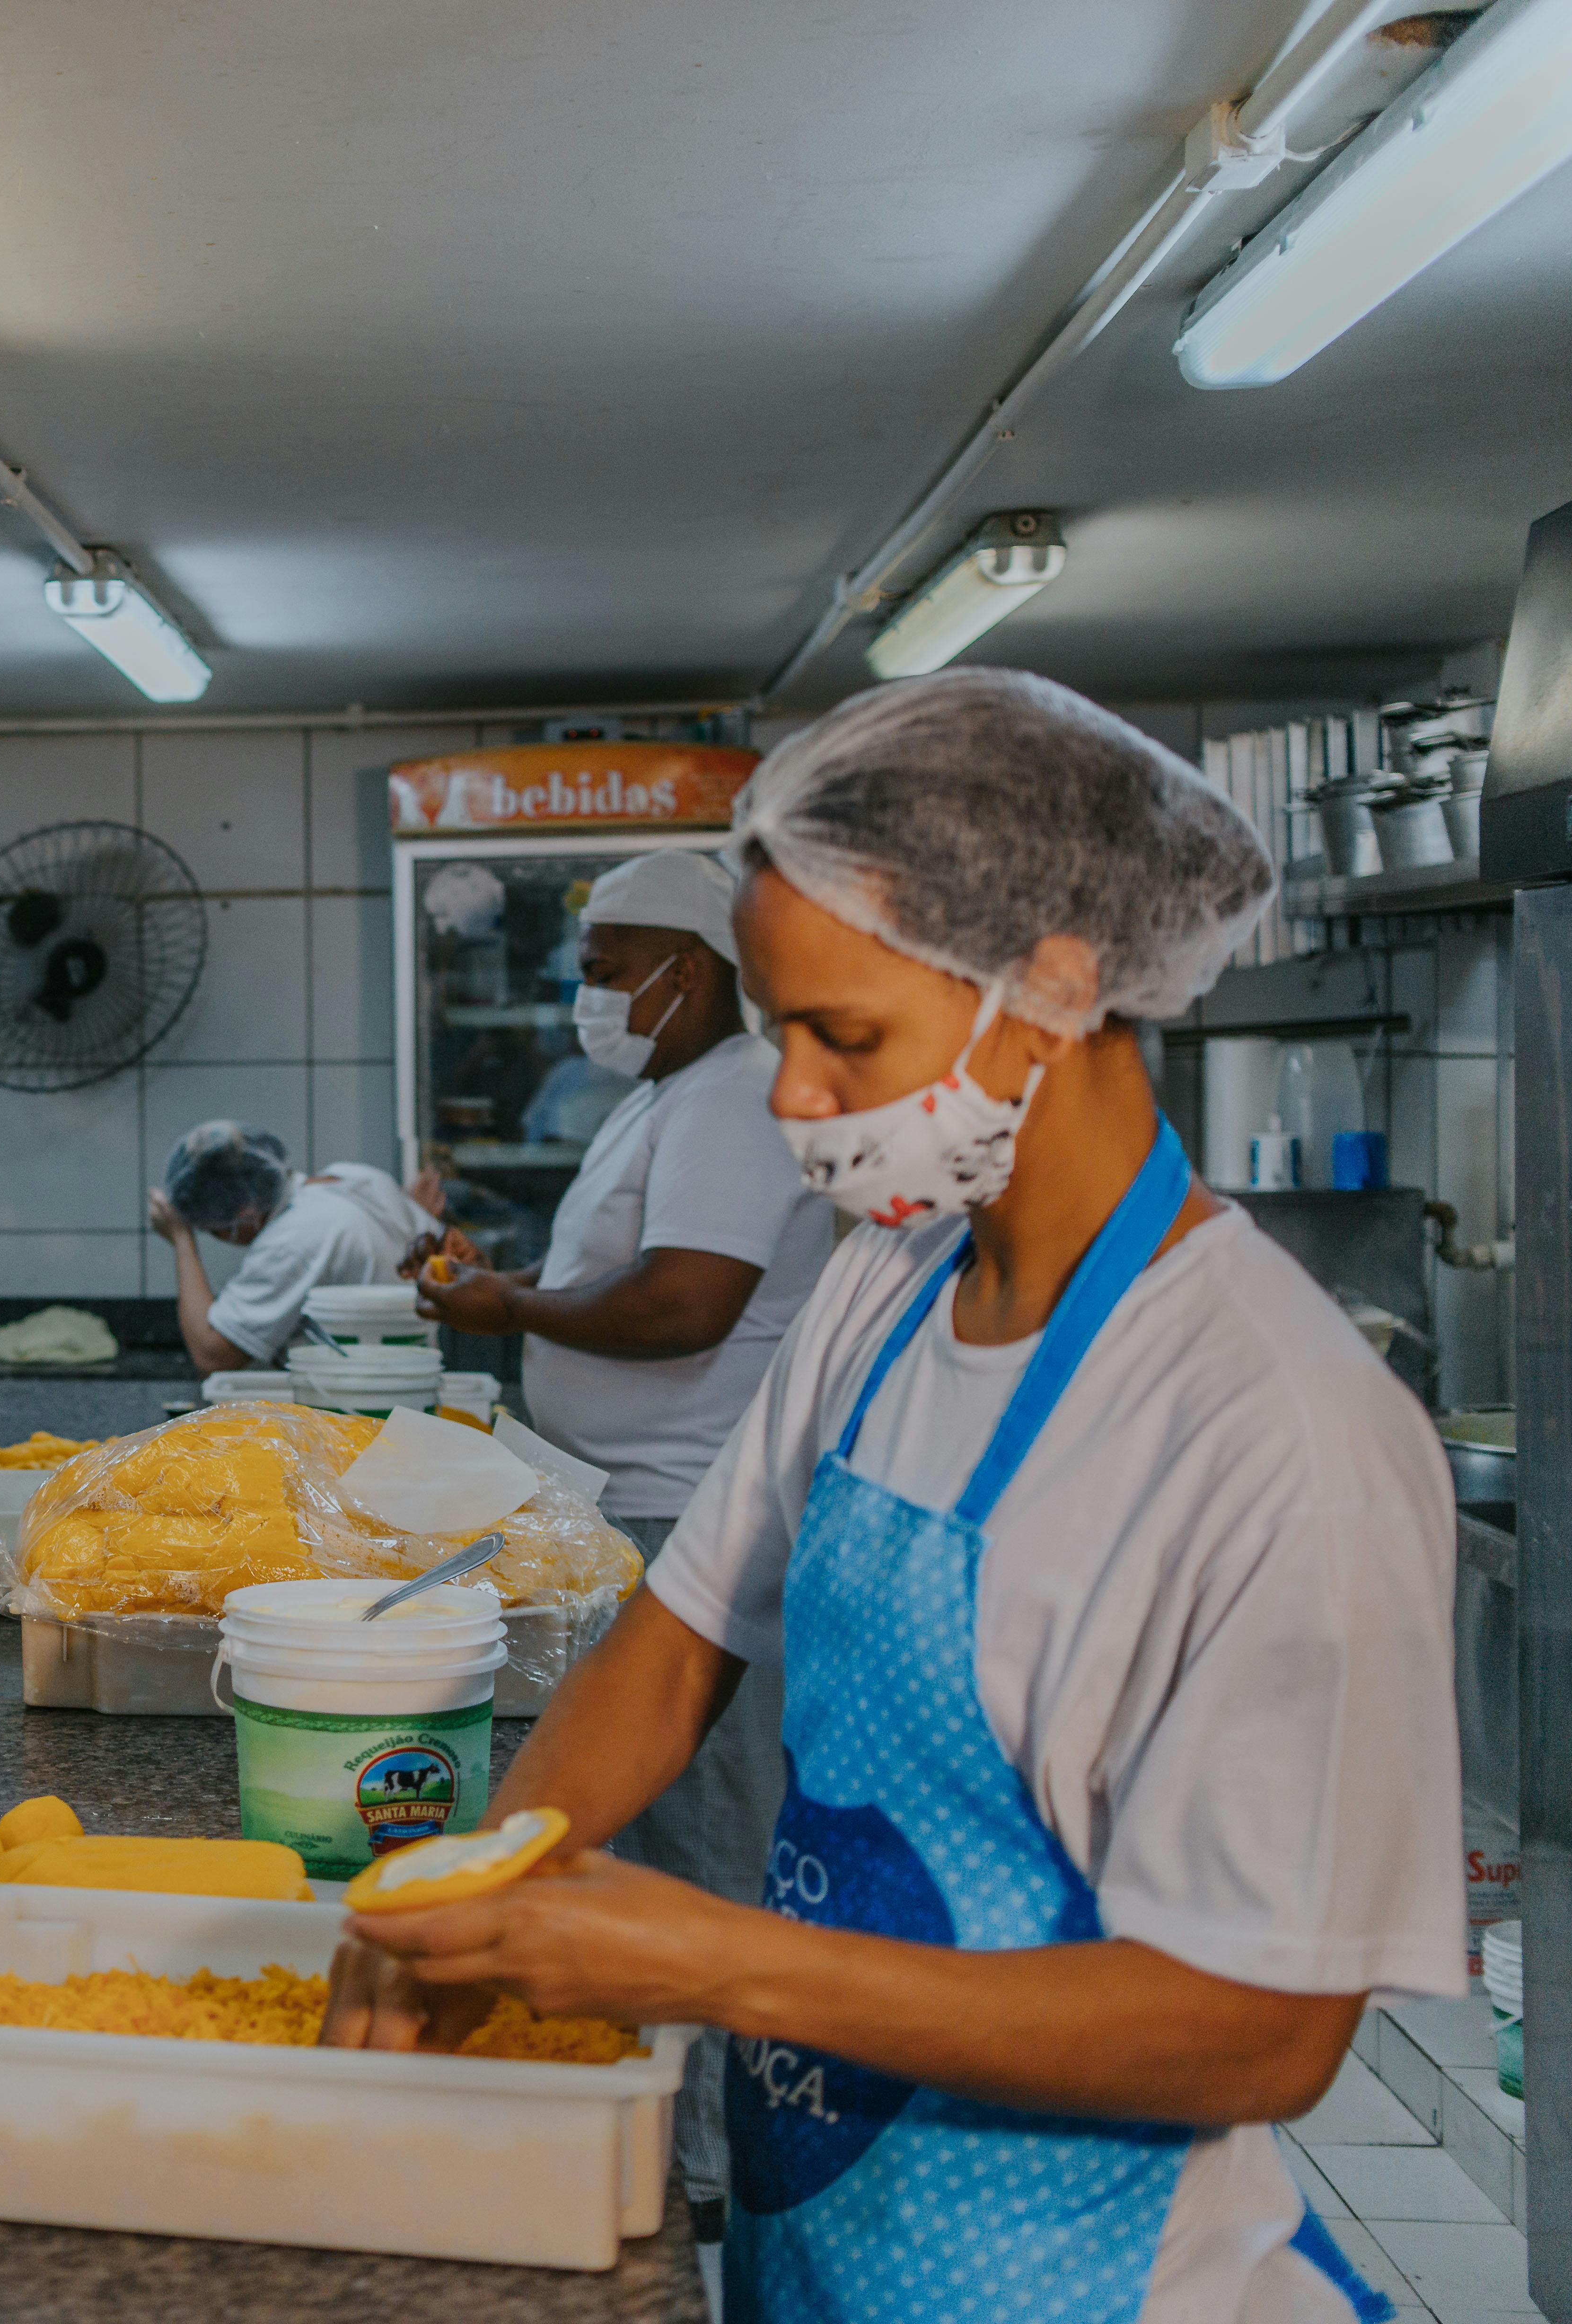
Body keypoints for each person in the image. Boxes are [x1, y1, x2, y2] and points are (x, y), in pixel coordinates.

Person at [326, 671, 1461, 2322]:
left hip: (1103, 2286)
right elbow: (675, 1641)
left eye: (841, 1035)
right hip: (826, 2248)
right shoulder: (892, 1288)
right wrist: (484, 1878)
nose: (790, 1098)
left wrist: (697, 1957)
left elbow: (1264, 2028)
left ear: (1057, 986)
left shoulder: (1278, 1432)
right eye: (780, 1029)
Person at [405, 845, 832, 2236]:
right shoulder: (671, 1095)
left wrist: (508, 1316)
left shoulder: (727, 1099)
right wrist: (504, 1288)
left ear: (685, 970)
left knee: (703, 1844)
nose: (585, 997)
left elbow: (682, 1304)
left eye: (602, 971)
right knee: (659, 1839)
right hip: (648, 1501)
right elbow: (622, 1278)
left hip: (693, 1510)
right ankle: (676, 2137)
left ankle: (709, 2171)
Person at [145, 1123, 439, 1373]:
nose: (219, 1237)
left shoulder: (293, 1240)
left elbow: (213, 1355)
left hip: (361, 1400)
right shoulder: (354, 1176)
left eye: (215, 1230)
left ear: (244, 1216)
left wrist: (181, 1238)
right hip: (407, 1375)